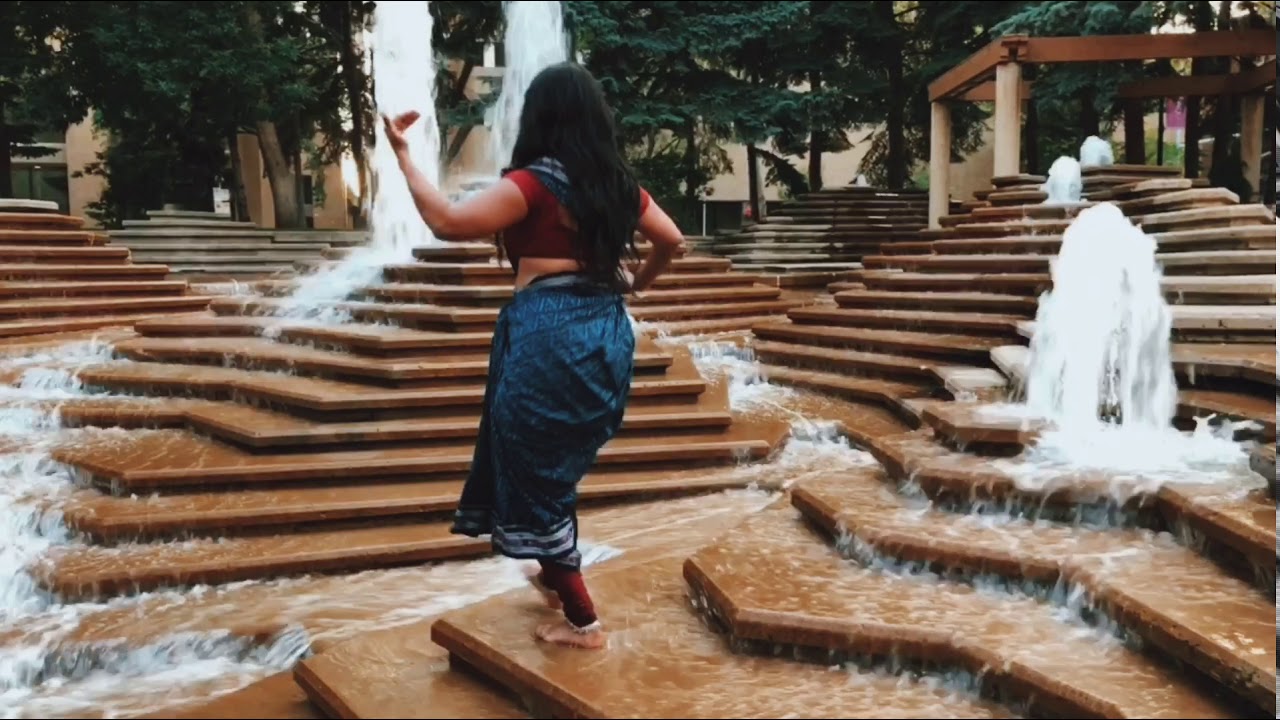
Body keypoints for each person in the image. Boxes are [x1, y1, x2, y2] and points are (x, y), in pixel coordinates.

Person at [382, 62, 683, 649]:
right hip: (606, 336)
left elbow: (446, 222)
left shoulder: (533, 185)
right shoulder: (617, 186)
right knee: (548, 466)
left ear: (538, 117)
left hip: (548, 338)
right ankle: (553, 574)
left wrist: (403, 155)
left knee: (536, 471)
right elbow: (672, 240)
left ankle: (583, 621)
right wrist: (635, 285)